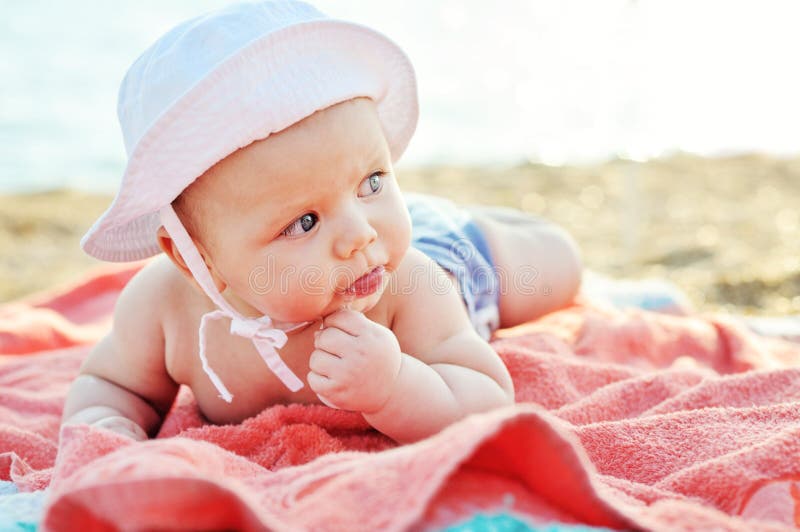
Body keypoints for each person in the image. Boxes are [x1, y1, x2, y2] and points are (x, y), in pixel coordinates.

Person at [61, 0, 582, 444]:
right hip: (397, 232)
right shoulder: (164, 309)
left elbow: (487, 399)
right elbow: (113, 383)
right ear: (194, 258)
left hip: (451, 253)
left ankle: (467, 218)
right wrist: (105, 427)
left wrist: (397, 385)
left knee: (558, 264)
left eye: (374, 179)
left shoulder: (410, 287)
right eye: (304, 222)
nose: (360, 233)